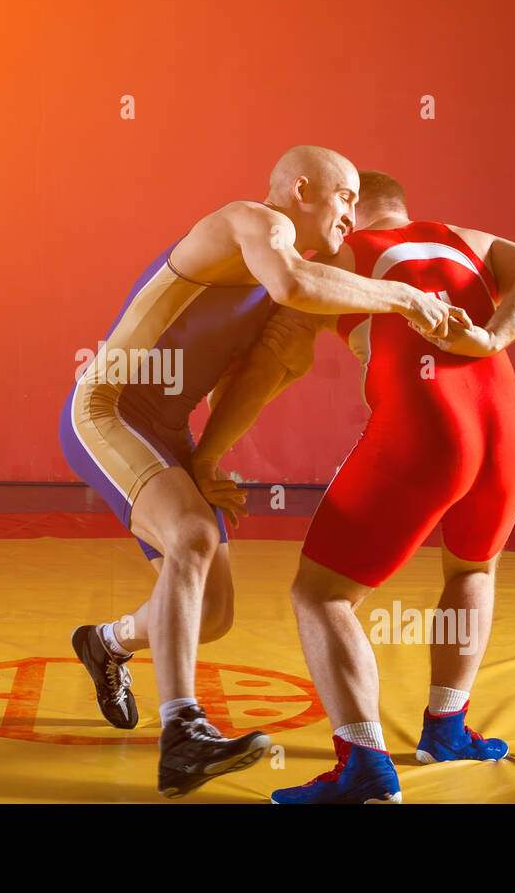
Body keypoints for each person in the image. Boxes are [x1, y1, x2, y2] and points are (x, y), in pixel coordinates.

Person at [59, 149, 470, 798]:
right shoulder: (254, 225)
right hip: (108, 409)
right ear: (302, 189)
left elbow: (265, 369)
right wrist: (403, 297)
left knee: (213, 613)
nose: (351, 215)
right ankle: (182, 734)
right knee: (192, 539)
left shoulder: (291, 274)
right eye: (345, 197)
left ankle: (105, 644)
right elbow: (292, 285)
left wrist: (204, 458)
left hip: (167, 431)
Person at [190, 170, 515, 803]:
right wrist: (492, 336)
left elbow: (278, 355)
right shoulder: (464, 239)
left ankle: (363, 767)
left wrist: (208, 454)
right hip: (508, 431)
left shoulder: (339, 254)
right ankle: (447, 729)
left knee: (322, 595)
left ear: (351, 205)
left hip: (425, 430)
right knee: (472, 570)